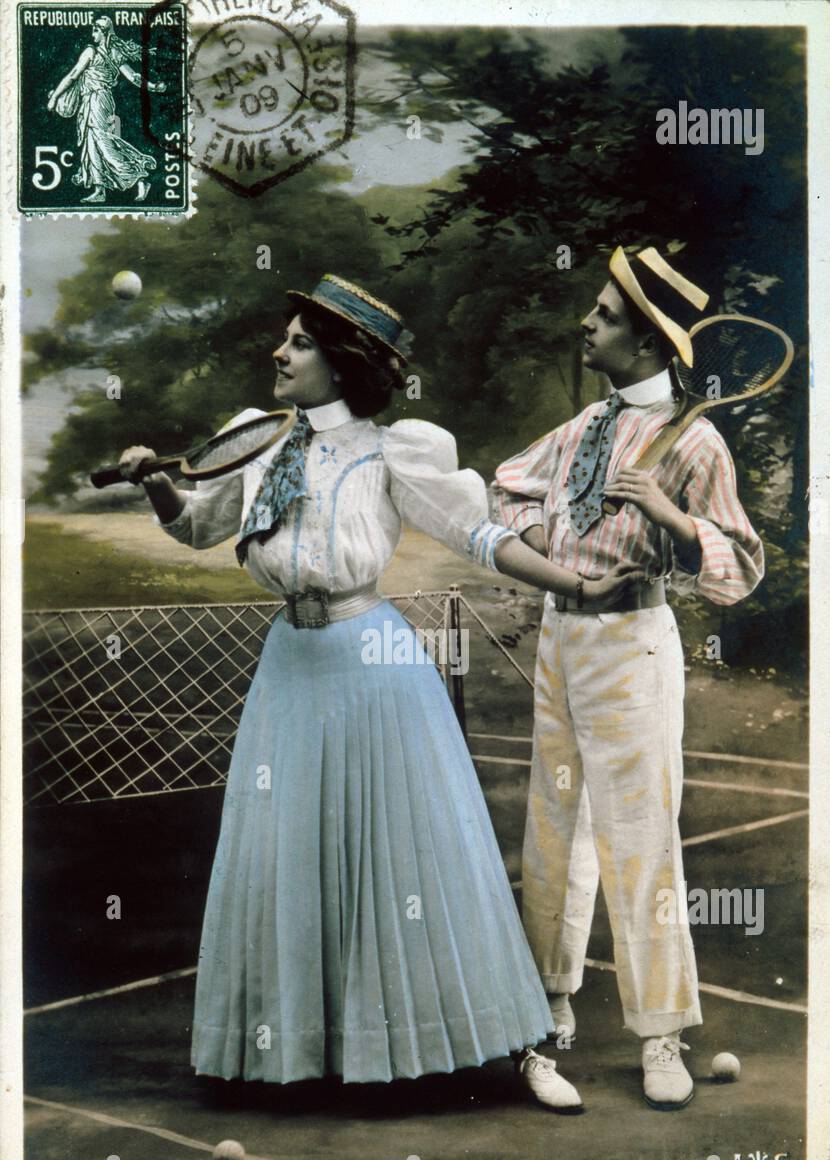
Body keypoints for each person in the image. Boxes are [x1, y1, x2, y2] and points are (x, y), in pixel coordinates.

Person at [116, 273, 640, 1110]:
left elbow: (481, 534)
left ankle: (510, 1048)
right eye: (285, 339)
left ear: (341, 361)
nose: (278, 352)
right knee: (290, 853)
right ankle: (308, 1056)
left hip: (376, 667)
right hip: (290, 665)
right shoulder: (254, 442)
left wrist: (574, 585)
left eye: (299, 342)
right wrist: (154, 482)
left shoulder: (396, 451)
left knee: (410, 857)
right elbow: (198, 525)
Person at [491, 247, 765, 1109]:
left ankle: (660, 1035)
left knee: (639, 840)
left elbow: (740, 567)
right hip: (559, 644)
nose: (588, 323)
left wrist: (669, 515)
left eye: (605, 315)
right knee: (552, 835)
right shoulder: (584, 427)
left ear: (648, 341)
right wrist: (553, 558)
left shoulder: (700, 442)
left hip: (634, 647)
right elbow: (505, 488)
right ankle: (546, 1016)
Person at [46, 16, 165, 204]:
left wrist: (54, 98)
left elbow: (72, 76)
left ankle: (139, 178)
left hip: (98, 100)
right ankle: (99, 189)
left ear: (104, 32)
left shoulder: (91, 52)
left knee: (103, 142)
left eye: (95, 30)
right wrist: (152, 86)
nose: (92, 34)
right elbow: (133, 77)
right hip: (94, 100)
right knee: (92, 143)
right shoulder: (114, 52)